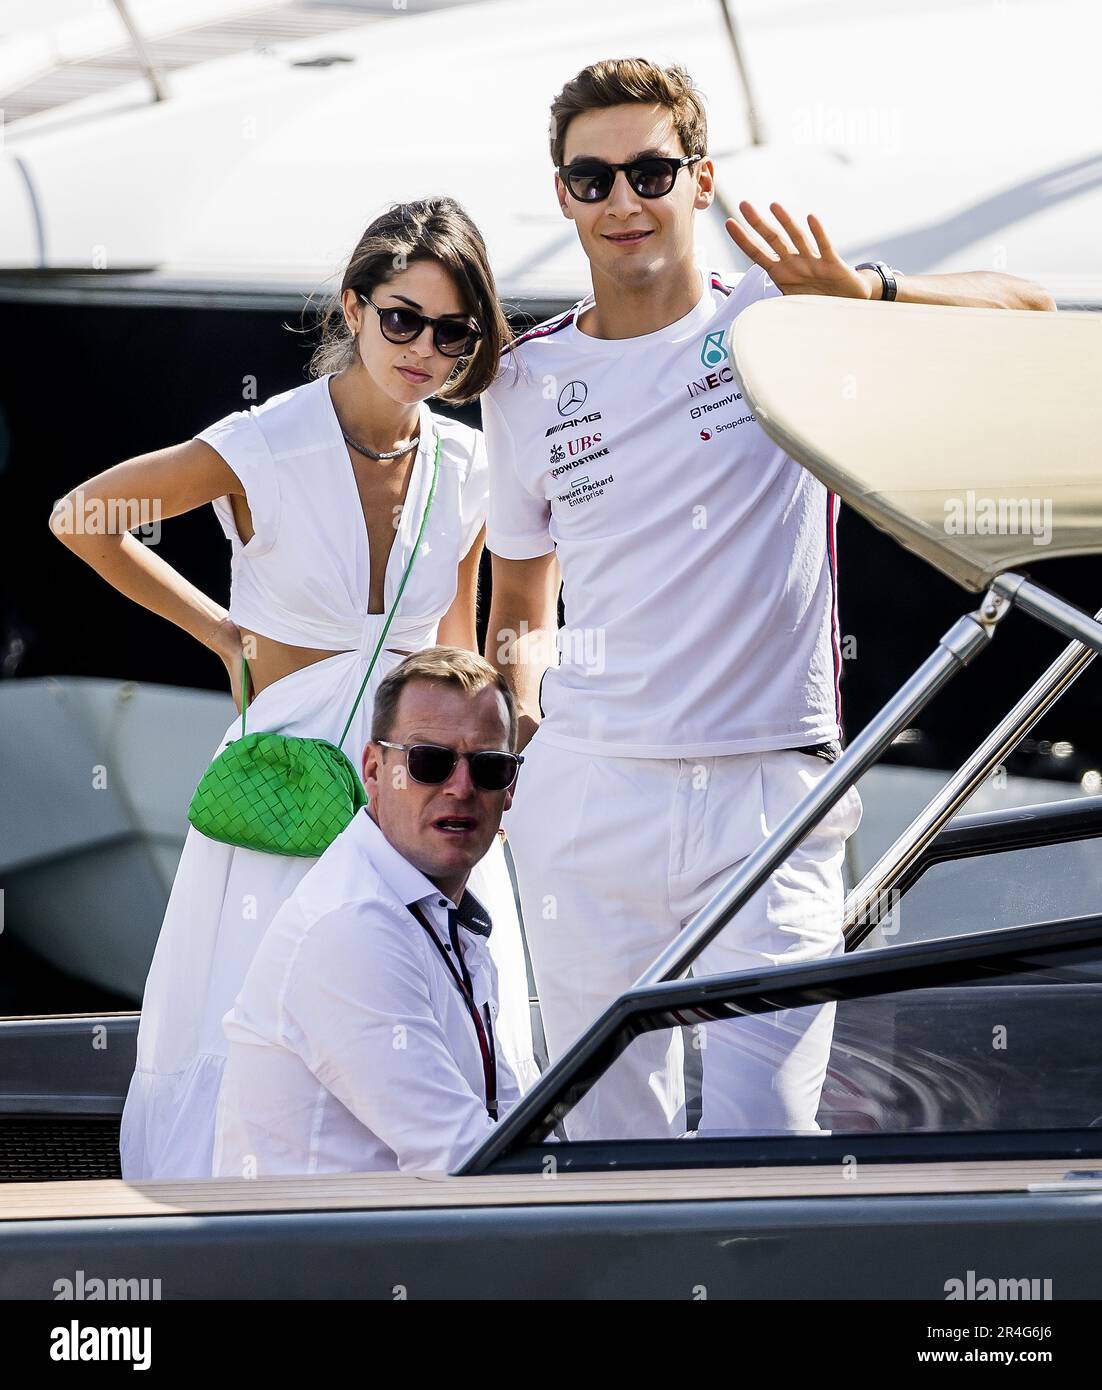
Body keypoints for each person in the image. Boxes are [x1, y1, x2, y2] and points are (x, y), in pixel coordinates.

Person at [482, 58, 1057, 1141]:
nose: (623, 201)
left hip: (772, 796)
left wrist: (867, 294)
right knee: (610, 1148)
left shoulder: (786, 313)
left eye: (650, 170)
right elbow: (521, 588)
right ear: (560, 194)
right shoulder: (522, 379)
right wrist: (520, 720)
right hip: (588, 796)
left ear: (700, 181)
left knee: (771, 1143)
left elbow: (1027, 306)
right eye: (592, 178)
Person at [49, 197, 537, 1181]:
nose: (424, 349)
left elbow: (453, 648)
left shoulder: (472, 465)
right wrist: (221, 636)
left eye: (453, 331)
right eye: (402, 317)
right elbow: (83, 516)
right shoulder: (261, 443)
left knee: (425, 1009)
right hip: (286, 778)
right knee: (258, 1015)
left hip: (417, 771)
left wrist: (507, 728)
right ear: (354, 308)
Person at [213, 648, 522, 1176]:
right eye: (430, 761)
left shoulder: (433, 909)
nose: (461, 787)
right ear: (374, 770)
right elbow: (459, 1158)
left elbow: (506, 1119)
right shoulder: (353, 925)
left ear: (510, 787)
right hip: (336, 1253)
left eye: (489, 767)